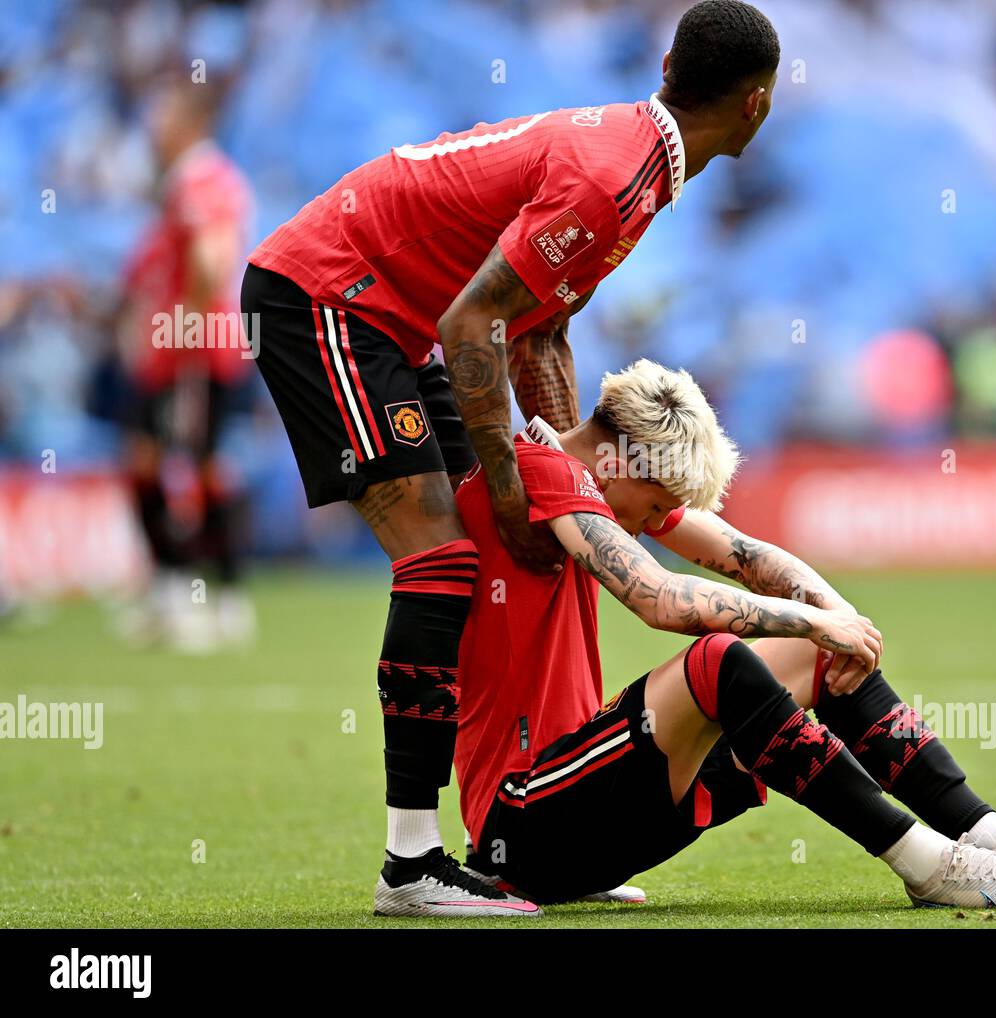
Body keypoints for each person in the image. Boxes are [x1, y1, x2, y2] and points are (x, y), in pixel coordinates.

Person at [240, 1, 784, 915]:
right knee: (445, 556)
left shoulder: (633, 162)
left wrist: (566, 482)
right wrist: (513, 477)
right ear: (758, 105)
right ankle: (410, 866)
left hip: (400, 323)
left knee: (533, 543)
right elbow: (471, 324)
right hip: (330, 296)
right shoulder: (613, 180)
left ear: (666, 65)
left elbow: (537, 334)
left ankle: (535, 825)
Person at [455, 360, 996, 910]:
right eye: (657, 506)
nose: (653, 522)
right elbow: (658, 597)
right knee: (718, 663)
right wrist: (814, 618)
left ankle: (992, 836)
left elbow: (742, 553)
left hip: (591, 813)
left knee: (812, 649)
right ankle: (927, 864)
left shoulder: (599, 481)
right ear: (620, 461)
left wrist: (832, 613)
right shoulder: (541, 472)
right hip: (522, 824)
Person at [118, 78, 256, 652]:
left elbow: (211, 258)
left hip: (194, 351)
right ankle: (179, 589)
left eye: (163, 115)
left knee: (195, 466)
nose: (153, 129)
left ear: (190, 123)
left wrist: (191, 330)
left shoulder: (202, 179)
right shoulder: (183, 184)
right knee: (162, 461)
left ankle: (213, 599)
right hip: (176, 352)